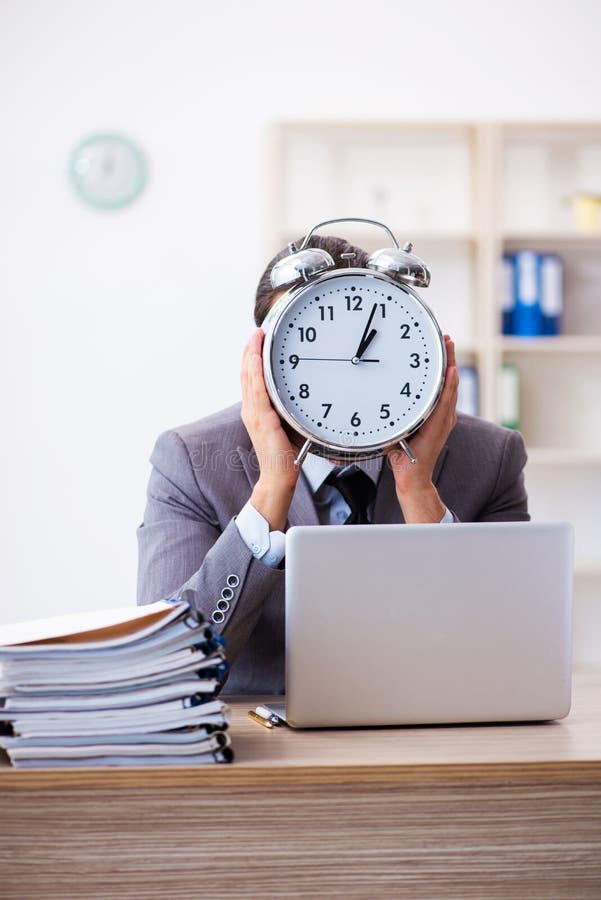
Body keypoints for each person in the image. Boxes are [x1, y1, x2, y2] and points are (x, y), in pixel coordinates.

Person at [137, 235, 529, 694]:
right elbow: (162, 669)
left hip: (429, 743)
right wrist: (271, 492)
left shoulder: (491, 459)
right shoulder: (191, 463)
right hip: (266, 754)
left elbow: (512, 654)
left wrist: (419, 493)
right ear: (261, 362)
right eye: (304, 346)